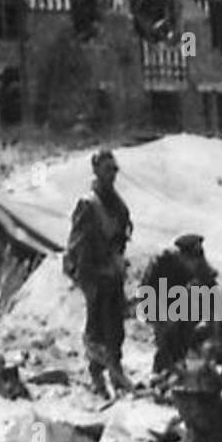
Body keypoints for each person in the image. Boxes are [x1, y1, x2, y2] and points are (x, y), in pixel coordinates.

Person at [64, 150, 133, 395]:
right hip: (94, 274)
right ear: (96, 171)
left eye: (114, 170)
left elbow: (122, 237)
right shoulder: (89, 204)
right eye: (107, 170)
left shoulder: (118, 204)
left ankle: (116, 370)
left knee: (116, 326)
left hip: (112, 273)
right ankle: (97, 377)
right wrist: (84, 276)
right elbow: (78, 244)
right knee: (96, 328)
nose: (111, 175)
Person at [139, 233, 221, 375]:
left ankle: (183, 358)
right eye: (191, 261)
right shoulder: (160, 264)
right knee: (167, 334)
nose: (194, 265)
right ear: (182, 256)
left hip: (180, 305)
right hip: (158, 304)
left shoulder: (199, 265)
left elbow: (212, 289)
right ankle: (162, 369)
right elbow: (146, 295)